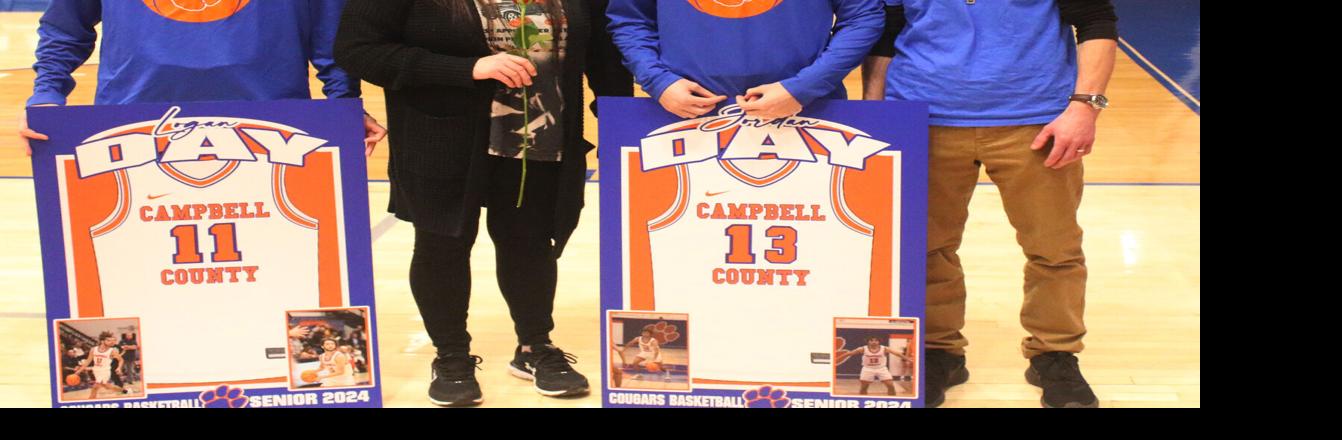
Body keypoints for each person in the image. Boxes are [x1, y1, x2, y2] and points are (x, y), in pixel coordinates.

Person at [336, 0, 634, 407]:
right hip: (439, 137)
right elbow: (358, 49)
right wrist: (467, 69)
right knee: (442, 244)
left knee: (529, 242)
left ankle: (534, 347)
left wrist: (617, 117)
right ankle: (452, 356)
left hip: (540, 138)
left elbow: (603, 54)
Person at [863, 0, 1118, 408]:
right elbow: (886, 33)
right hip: (922, 115)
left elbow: (1096, 22)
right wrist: (875, 116)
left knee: (1054, 249)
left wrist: (1085, 106)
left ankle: (1055, 354)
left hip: (1035, 117)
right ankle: (938, 351)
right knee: (926, 247)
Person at [20, 0, 386, 157]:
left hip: (272, 128)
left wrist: (343, 106)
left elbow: (332, 36)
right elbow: (66, 28)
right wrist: (47, 98)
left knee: (270, 275)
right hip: (131, 126)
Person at [609, 0, 883, 121]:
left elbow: (862, 18)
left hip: (808, 110)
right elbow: (631, 20)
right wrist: (659, 81)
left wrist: (804, 87)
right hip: (683, 114)